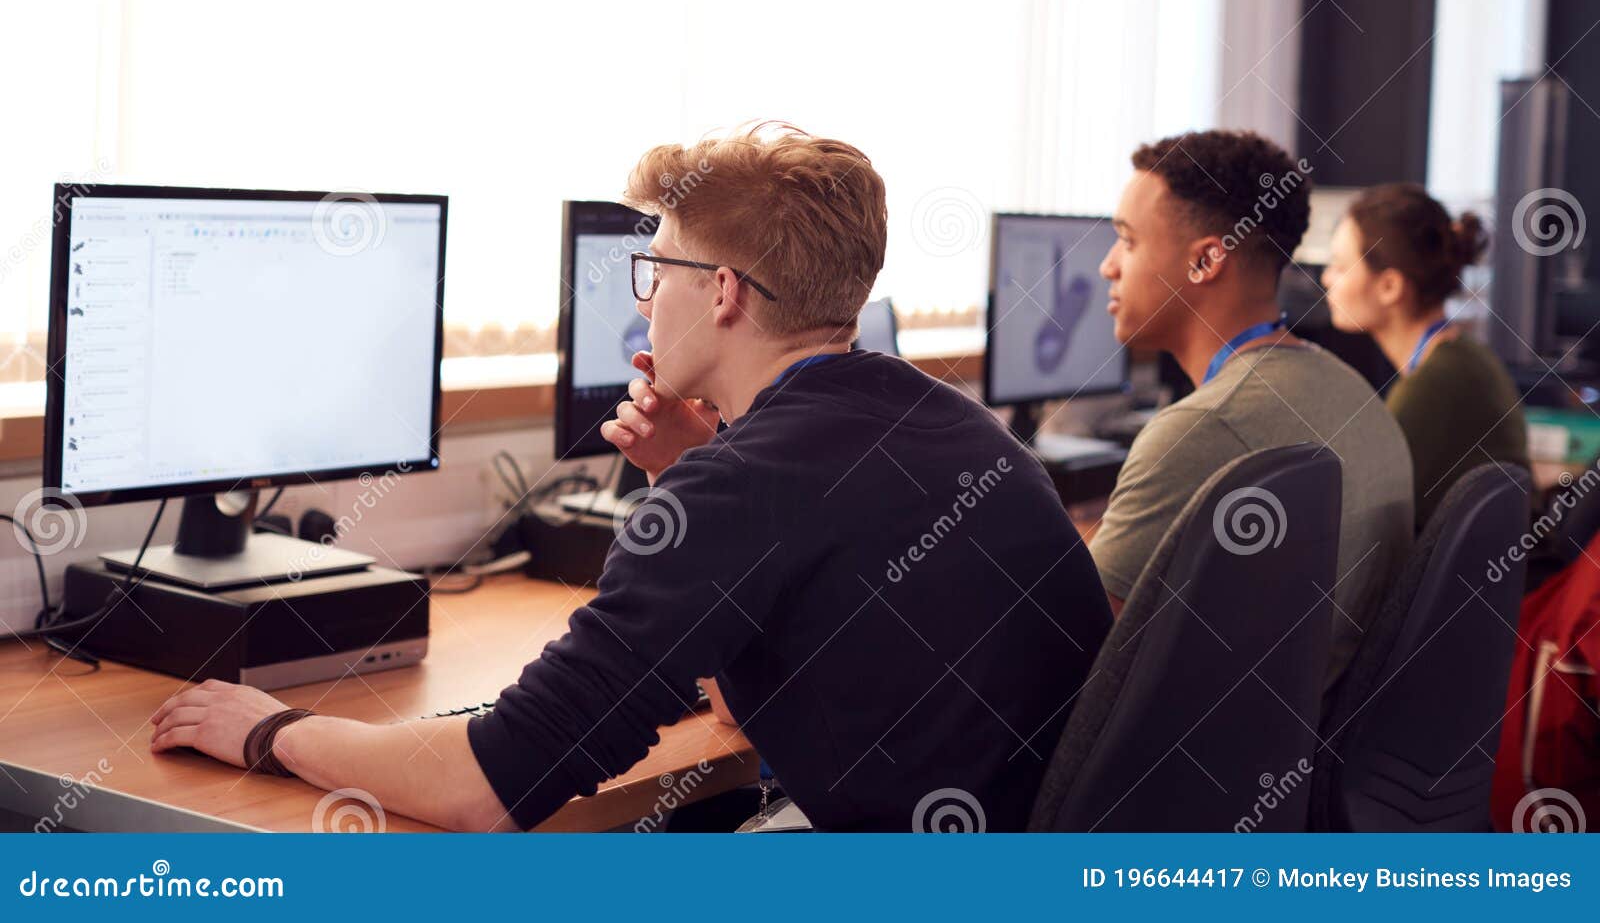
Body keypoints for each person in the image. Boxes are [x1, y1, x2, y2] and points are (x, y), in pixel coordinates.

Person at [150, 123, 1111, 832]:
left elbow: (487, 786)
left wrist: (274, 730)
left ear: (724, 292)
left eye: (655, 270)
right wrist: (696, 474)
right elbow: (781, 673)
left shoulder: (743, 487)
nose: (645, 300)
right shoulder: (954, 426)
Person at [1089, 130, 1413, 691]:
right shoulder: (1354, 391)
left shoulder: (1201, 430)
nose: (1108, 266)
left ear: (1208, 259)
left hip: (1191, 767)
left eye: (1128, 241)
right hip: (1301, 752)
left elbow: (1073, 647)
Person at [1320, 183, 1529, 529]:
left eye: (1340, 266)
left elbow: (1363, 522)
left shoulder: (1436, 383)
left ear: (1390, 287)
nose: (1326, 278)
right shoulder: (1460, 356)